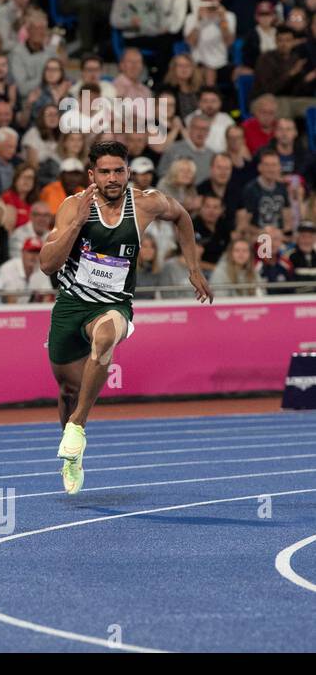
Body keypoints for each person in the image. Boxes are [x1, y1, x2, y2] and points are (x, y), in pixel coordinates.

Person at [39, 140, 213, 495]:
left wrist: (193, 268)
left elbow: (182, 216)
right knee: (68, 388)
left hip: (114, 304)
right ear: (92, 175)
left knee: (106, 337)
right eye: (105, 172)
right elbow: (47, 265)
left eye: (119, 170)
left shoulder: (147, 203)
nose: (113, 178)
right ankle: (72, 454)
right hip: (72, 304)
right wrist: (76, 228)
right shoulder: (73, 207)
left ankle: (78, 426)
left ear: (128, 172)